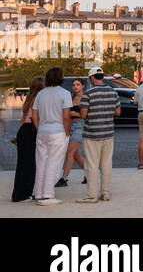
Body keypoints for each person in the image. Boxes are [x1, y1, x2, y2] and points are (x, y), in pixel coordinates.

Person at [79, 66, 121, 203]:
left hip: (92, 133)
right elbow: (118, 112)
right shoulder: (113, 92)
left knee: (91, 165)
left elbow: (83, 115)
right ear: (102, 77)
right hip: (108, 133)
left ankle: (92, 195)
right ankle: (105, 193)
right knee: (106, 164)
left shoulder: (88, 94)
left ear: (91, 78)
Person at [32, 67, 72, 205]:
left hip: (42, 131)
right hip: (58, 131)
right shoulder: (65, 93)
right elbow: (66, 116)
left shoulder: (41, 94)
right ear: (61, 78)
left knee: (41, 163)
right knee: (54, 163)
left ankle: (38, 193)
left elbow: (34, 115)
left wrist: (39, 128)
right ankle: (48, 195)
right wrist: (67, 131)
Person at [10, 76, 43, 202]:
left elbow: (23, 119)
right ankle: (24, 194)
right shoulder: (38, 99)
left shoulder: (29, 98)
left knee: (22, 164)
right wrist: (39, 131)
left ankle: (18, 193)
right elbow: (35, 118)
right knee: (30, 164)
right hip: (31, 130)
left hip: (23, 131)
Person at [56, 79, 87, 188]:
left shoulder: (86, 98)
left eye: (78, 84)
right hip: (70, 125)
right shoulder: (71, 97)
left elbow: (88, 114)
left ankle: (63, 179)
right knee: (76, 154)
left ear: (83, 86)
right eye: (74, 85)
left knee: (69, 152)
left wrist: (76, 114)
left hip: (80, 126)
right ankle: (89, 174)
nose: (75, 87)